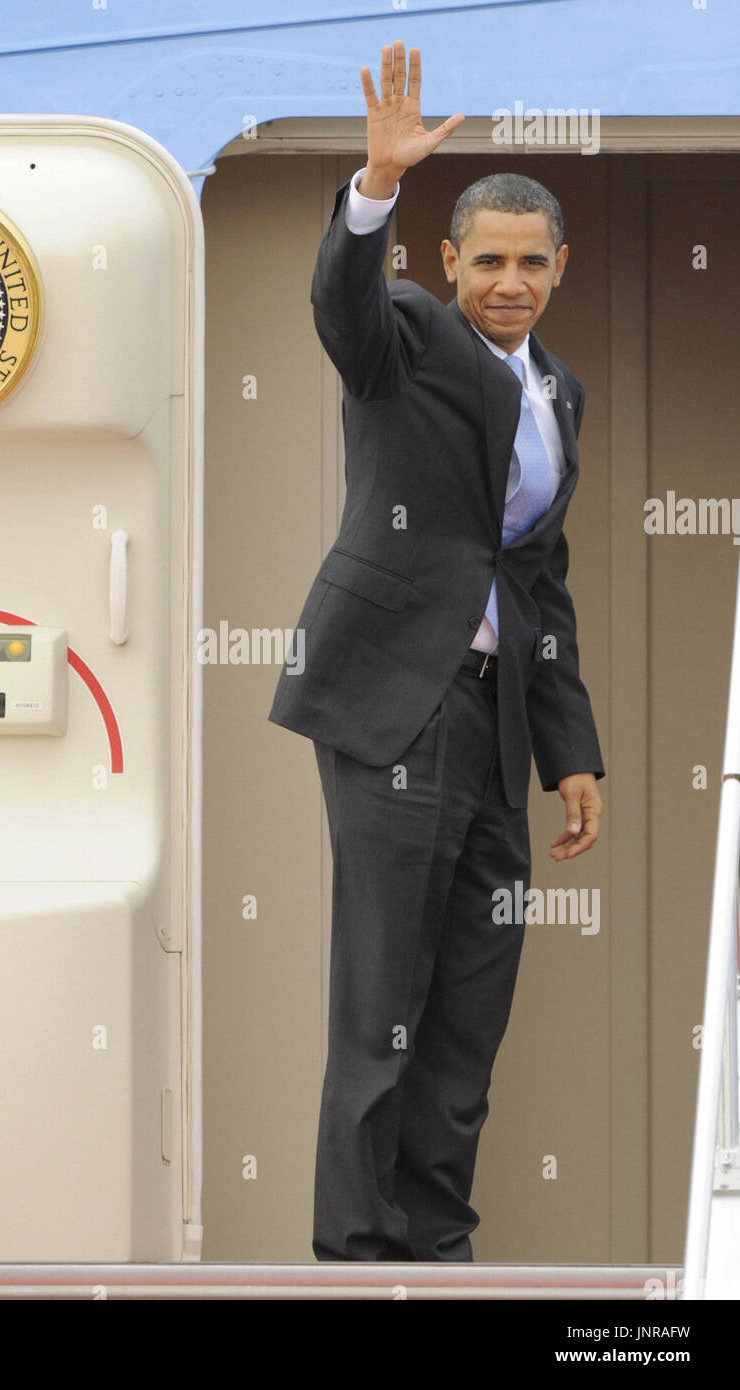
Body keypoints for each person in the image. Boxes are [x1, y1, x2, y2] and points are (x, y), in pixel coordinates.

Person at [268, 42, 605, 1262]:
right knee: (380, 1008)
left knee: (469, 1007)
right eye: (489, 261)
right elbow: (341, 313)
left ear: (559, 269)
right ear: (450, 263)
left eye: (531, 262)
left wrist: (571, 753)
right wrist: (374, 190)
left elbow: (538, 578)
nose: (509, 282)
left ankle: (436, 1246)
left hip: (497, 726)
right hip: (395, 710)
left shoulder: (562, 393)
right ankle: (356, 1258)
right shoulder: (406, 335)